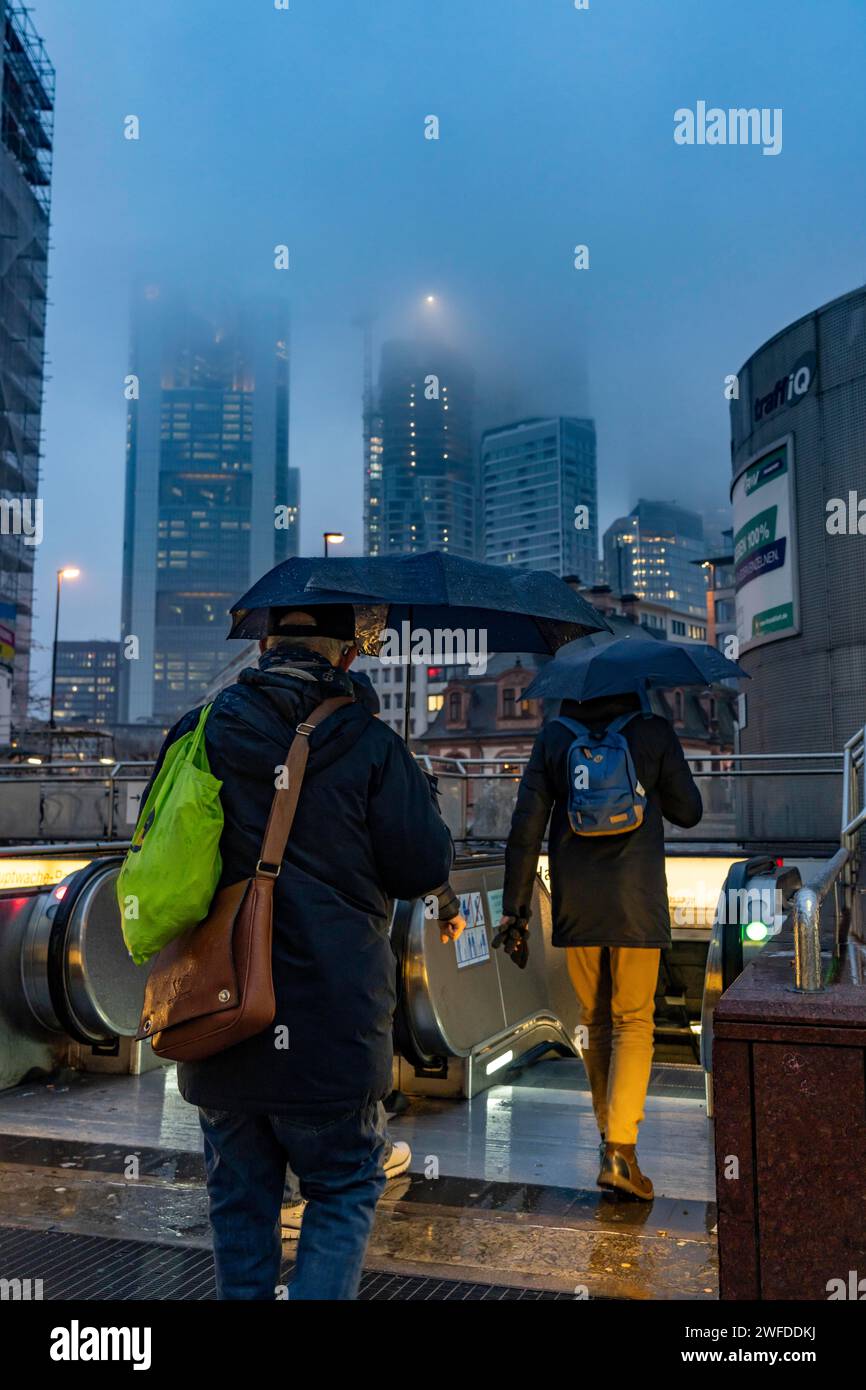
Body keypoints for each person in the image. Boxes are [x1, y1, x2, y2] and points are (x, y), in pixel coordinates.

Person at [145, 605, 462, 1298]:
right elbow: (421, 865)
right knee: (344, 1186)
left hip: (217, 1013)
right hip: (332, 1020)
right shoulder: (373, 745)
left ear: (264, 646)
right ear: (346, 658)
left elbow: (154, 857)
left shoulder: (196, 733)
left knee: (239, 1203)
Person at [496, 688, 702, 1200]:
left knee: (595, 1019)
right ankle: (621, 1150)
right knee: (634, 1020)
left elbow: (526, 828)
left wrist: (515, 909)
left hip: (577, 904)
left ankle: (609, 1139)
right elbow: (690, 811)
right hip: (637, 902)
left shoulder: (554, 737)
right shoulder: (651, 731)